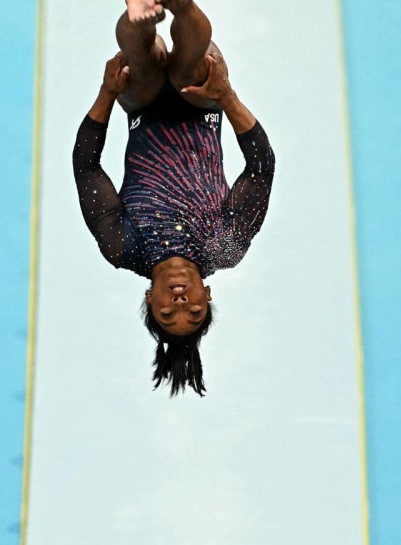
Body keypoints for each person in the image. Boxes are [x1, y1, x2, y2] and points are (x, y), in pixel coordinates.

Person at [71, 0, 276, 397]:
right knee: (190, 69)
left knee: (139, 64)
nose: (180, 301)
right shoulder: (224, 248)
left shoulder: (123, 248)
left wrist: (106, 95)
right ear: (207, 295)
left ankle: (142, 15)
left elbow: (87, 169)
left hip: (141, 108)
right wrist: (228, 96)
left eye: (168, 313)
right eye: (194, 311)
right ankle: (181, 5)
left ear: (149, 299)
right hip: (204, 104)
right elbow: (260, 169)